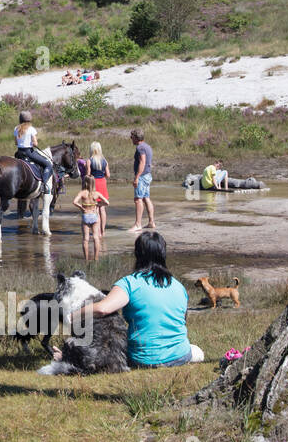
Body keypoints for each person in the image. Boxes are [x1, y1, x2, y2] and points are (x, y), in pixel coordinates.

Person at [57, 231, 205, 369]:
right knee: (197, 350)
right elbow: (182, 319)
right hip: (180, 356)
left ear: (137, 254)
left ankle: (64, 357)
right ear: (163, 254)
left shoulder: (129, 283)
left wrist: (73, 315)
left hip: (143, 360)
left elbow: (103, 309)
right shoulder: (179, 286)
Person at [13, 110, 54, 192]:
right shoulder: (31, 129)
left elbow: (16, 142)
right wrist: (33, 143)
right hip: (29, 152)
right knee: (48, 164)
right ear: (29, 120)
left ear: (20, 119)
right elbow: (35, 143)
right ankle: (44, 185)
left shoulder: (16, 128)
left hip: (19, 153)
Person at [72, 175, 109, 261]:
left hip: (86, 215)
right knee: (96, 237)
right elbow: (107, 202)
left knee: (86, 239)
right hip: (94, 215)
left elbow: (74, 202)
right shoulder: (96, 194)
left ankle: (86, 259)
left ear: (84, 182)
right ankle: (96, 258)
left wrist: (81, 207)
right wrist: (98, 205)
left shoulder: (82, 193)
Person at [129, 128, 156, 232]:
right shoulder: (147, 146)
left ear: (136, 137)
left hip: (142, 176)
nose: (131, 139)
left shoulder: (140, 148)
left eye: (131, 137)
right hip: (147, 175)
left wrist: (137, 177)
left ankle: (138, 224)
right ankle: (151, 222)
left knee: (138, 199)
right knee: (146, 198)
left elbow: (142, 162)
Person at [88, 141, 110, 230]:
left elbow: (88, 175)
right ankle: (102, 231)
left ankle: (96, 230)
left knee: (95, 208)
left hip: (94, 183)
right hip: (102, 183)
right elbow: (108, 175)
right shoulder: (104, 160)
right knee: (102, 209)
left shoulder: (90, 161)